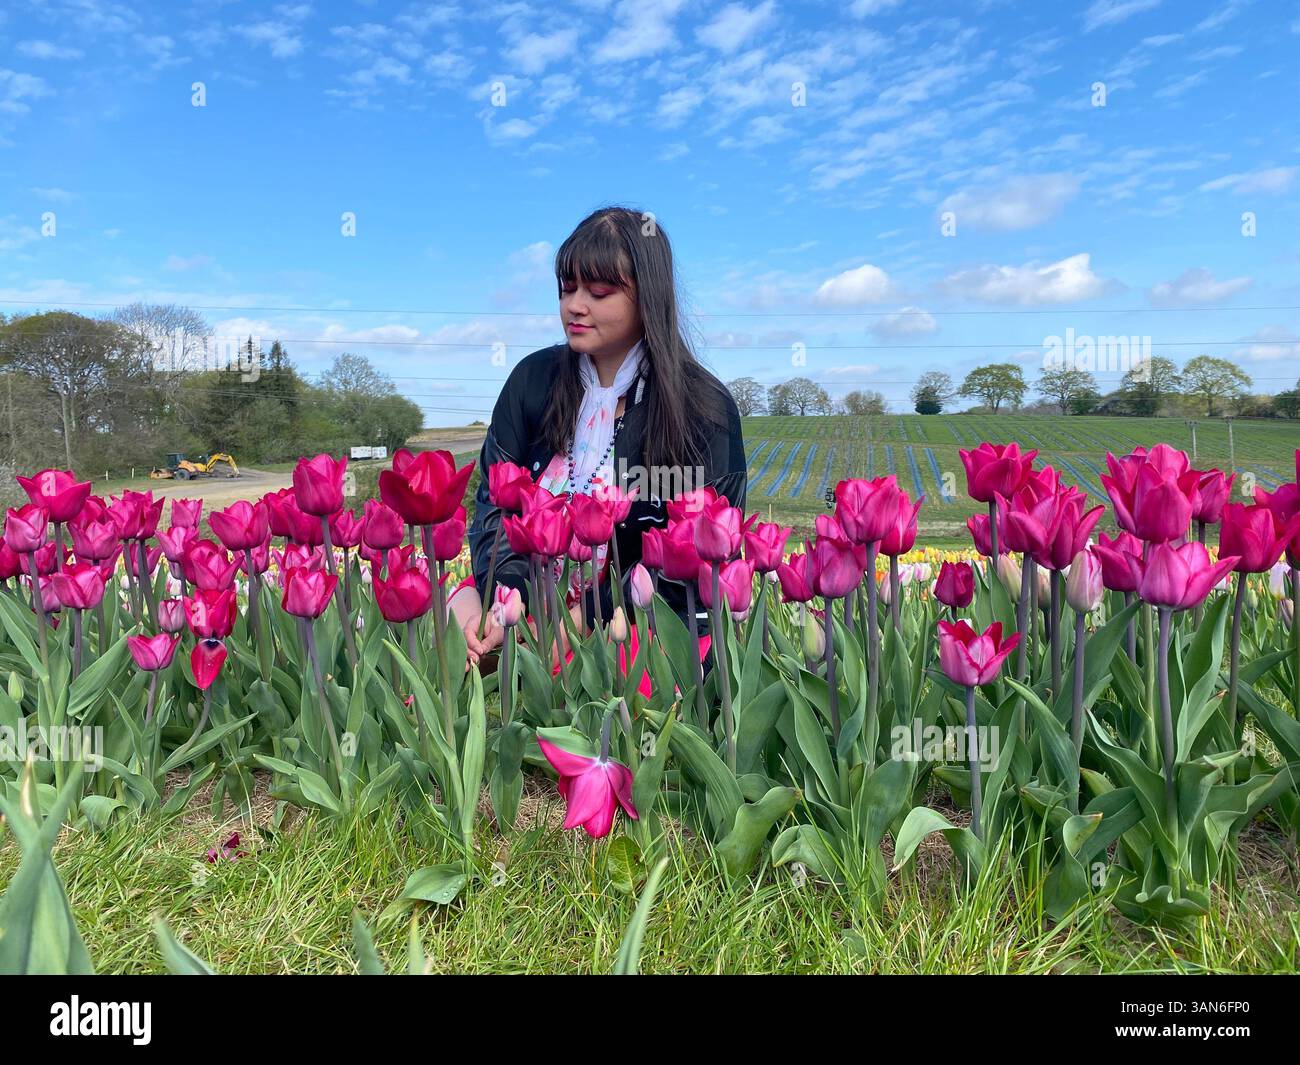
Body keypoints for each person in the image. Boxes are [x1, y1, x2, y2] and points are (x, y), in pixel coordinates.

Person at [446, 205, 746, 668]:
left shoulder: (701, 407)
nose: (575, 306)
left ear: (648, 296)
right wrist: (511, 601)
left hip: (636, 613)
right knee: (452, 629)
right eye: (567, 289)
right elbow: (494, 509)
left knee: (625, 676)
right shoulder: (532, 382)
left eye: (599, 292)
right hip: (532, 597)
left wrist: (579, 622)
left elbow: (690, 555)